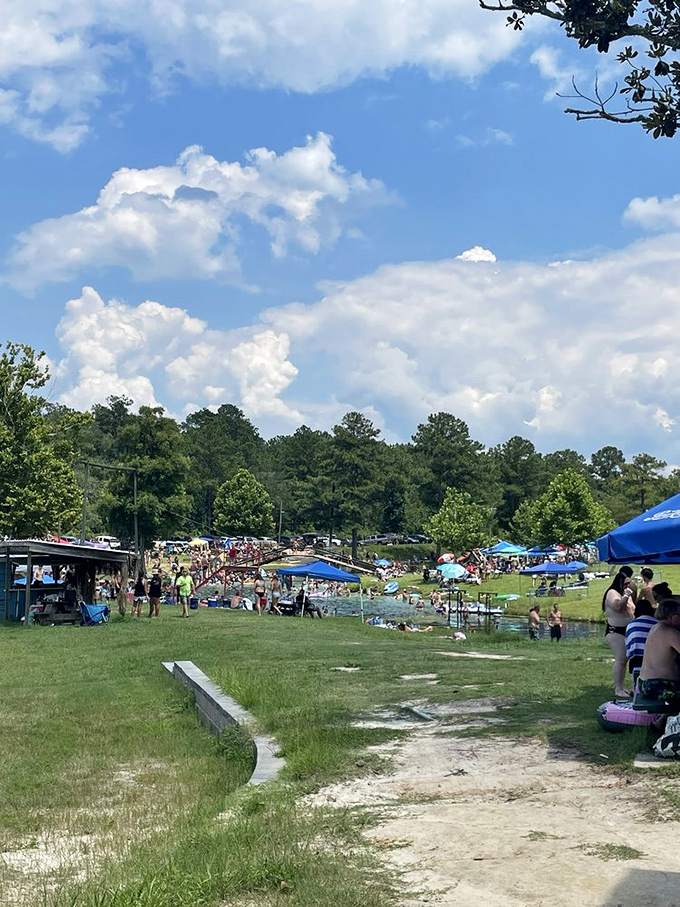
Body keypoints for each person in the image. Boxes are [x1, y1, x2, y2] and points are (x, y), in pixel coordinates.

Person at [638, 596, 680, 711]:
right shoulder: (670, 633)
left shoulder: (655, 628)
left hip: (645, 684)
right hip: (659, 686)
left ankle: (660, 722)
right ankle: (663, 722)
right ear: (672, 616)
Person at [602, 569, 636, 697]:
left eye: (629, 583)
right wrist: (626, 596)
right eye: (626, 584)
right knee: (621, 659)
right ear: (620, 583)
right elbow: (617, 606)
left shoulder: (626, 594)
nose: (628, 586)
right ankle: (618, 688)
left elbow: (631, 609)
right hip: (615, 630)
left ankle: (621, 687)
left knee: (626, 659)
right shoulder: (612, 593)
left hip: (628, 629)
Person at [625, 599, 657, 675]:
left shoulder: (631, 625)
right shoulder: (657, 624)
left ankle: (636, 686)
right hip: (653, 658)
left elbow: (628, 646)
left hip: (636, 659)